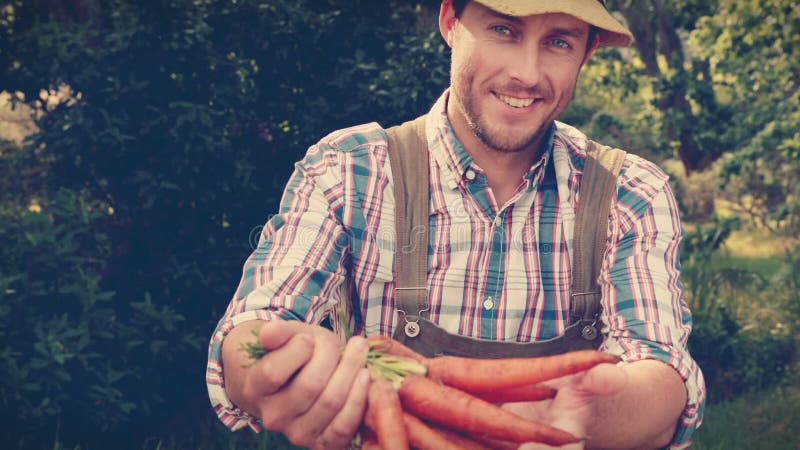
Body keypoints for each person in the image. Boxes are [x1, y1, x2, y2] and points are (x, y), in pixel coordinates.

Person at [206, 0, 706, 448]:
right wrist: (275, 366)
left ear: (587, 53)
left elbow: (662, 379)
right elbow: (249, 332)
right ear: (450, 21)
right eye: (503, 30)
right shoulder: (347, 171)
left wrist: (556, 415)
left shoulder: (629, 192)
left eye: (558, 41)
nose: (527, 74)